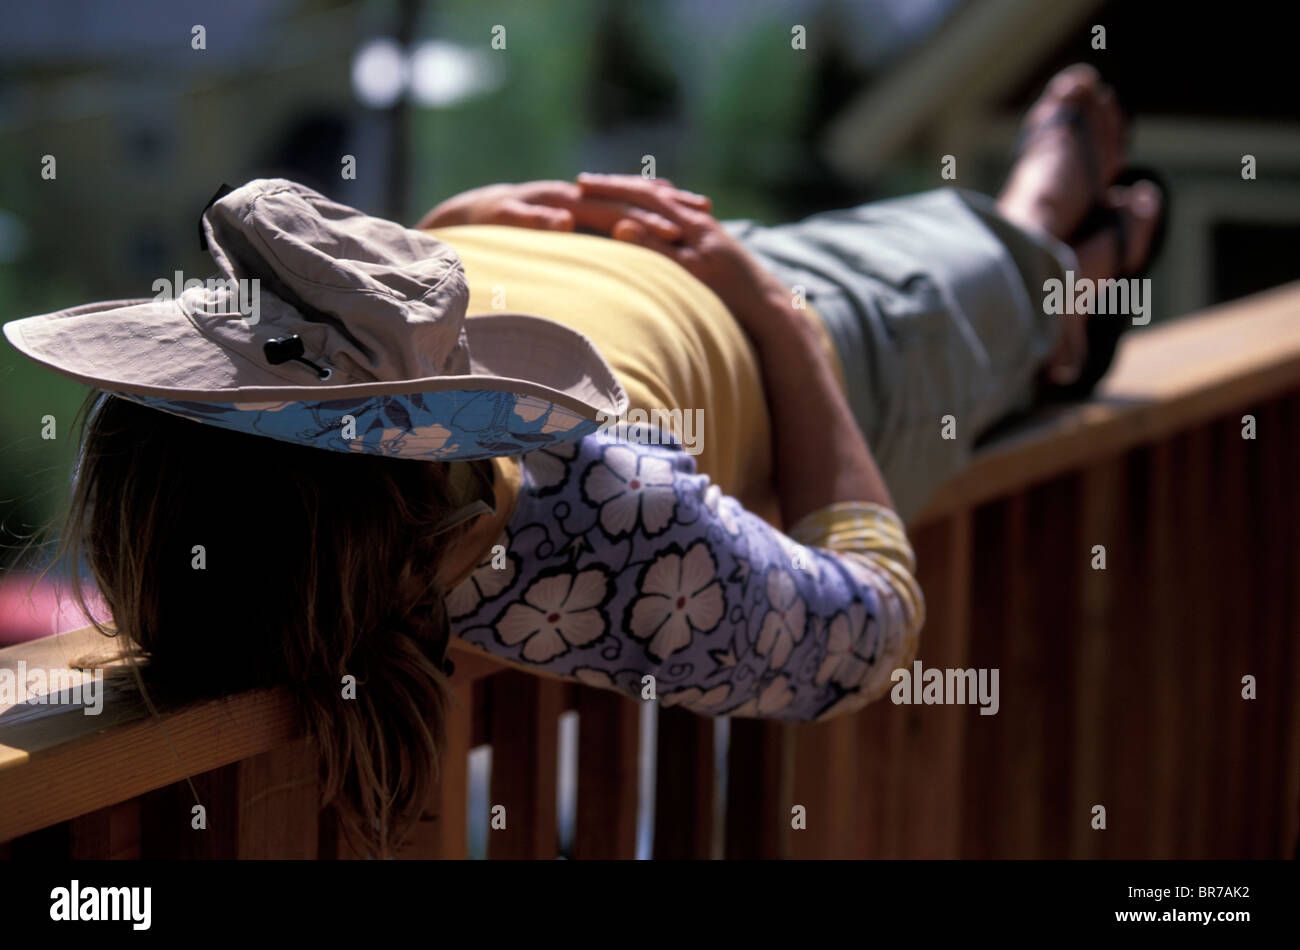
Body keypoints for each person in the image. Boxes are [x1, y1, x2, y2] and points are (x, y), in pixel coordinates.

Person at [5, 65, 1160, 856]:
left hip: (669, 276)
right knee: (985, 272)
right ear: (452, 538)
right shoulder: (601, 523)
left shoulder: (271, 541)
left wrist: (451, 234)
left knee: (960, 264)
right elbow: (867, 624)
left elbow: (312, 410)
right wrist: (781, 328)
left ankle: (1051, 274)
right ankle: (1051, 246)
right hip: (837, 344)